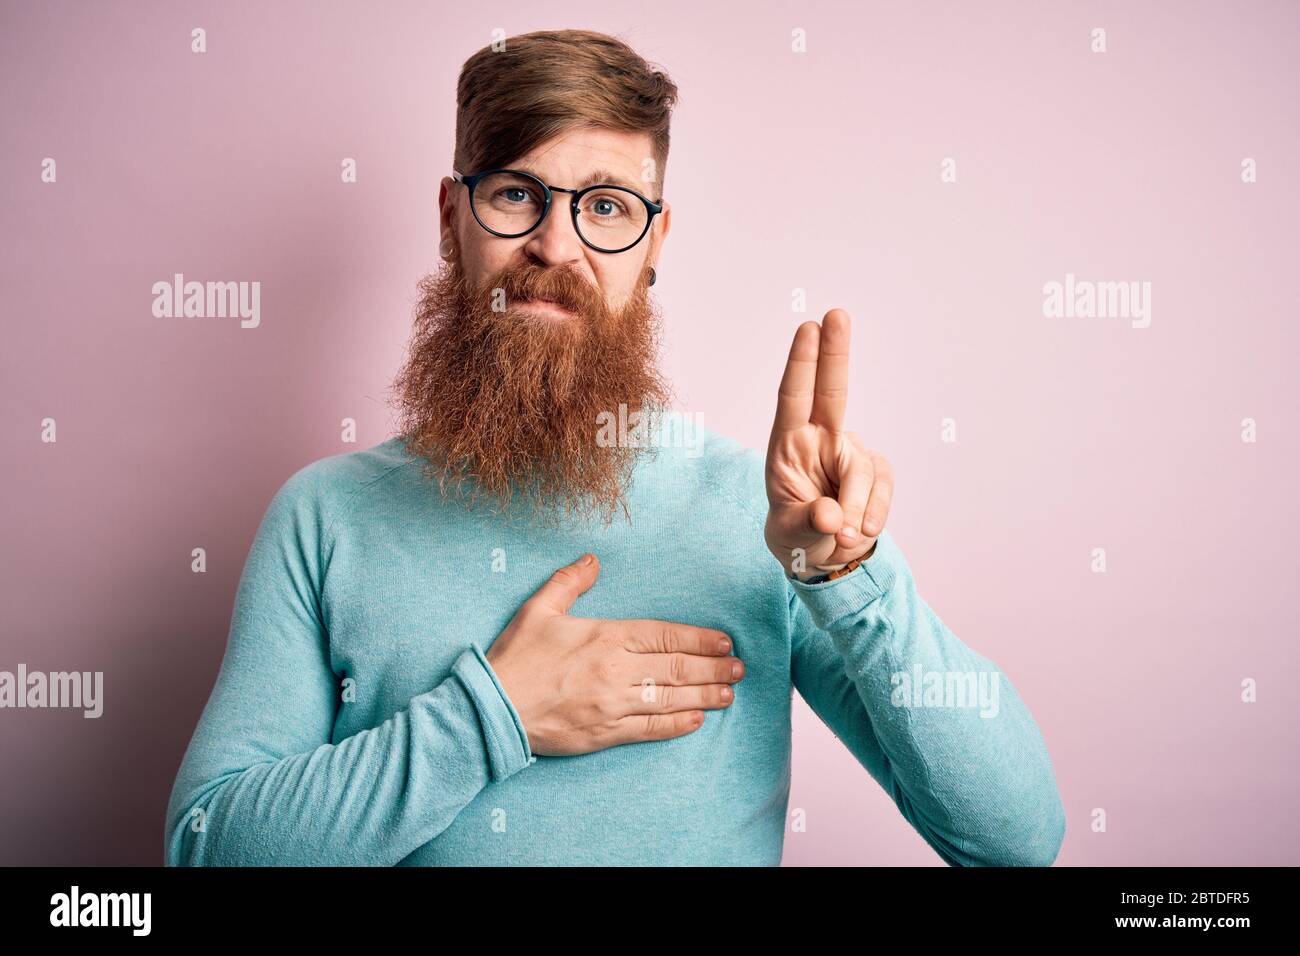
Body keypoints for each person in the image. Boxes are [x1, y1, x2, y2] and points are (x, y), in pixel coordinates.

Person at [164, 28, 1066, 866]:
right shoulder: (324, 516)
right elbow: (205, 844)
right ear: (451, 218)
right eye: (516, 193)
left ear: (654, 243)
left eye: (605, 206)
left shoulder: (768, 516)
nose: (556, 245)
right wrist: (499, 715)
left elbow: (1015, 838)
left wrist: (851, 580)